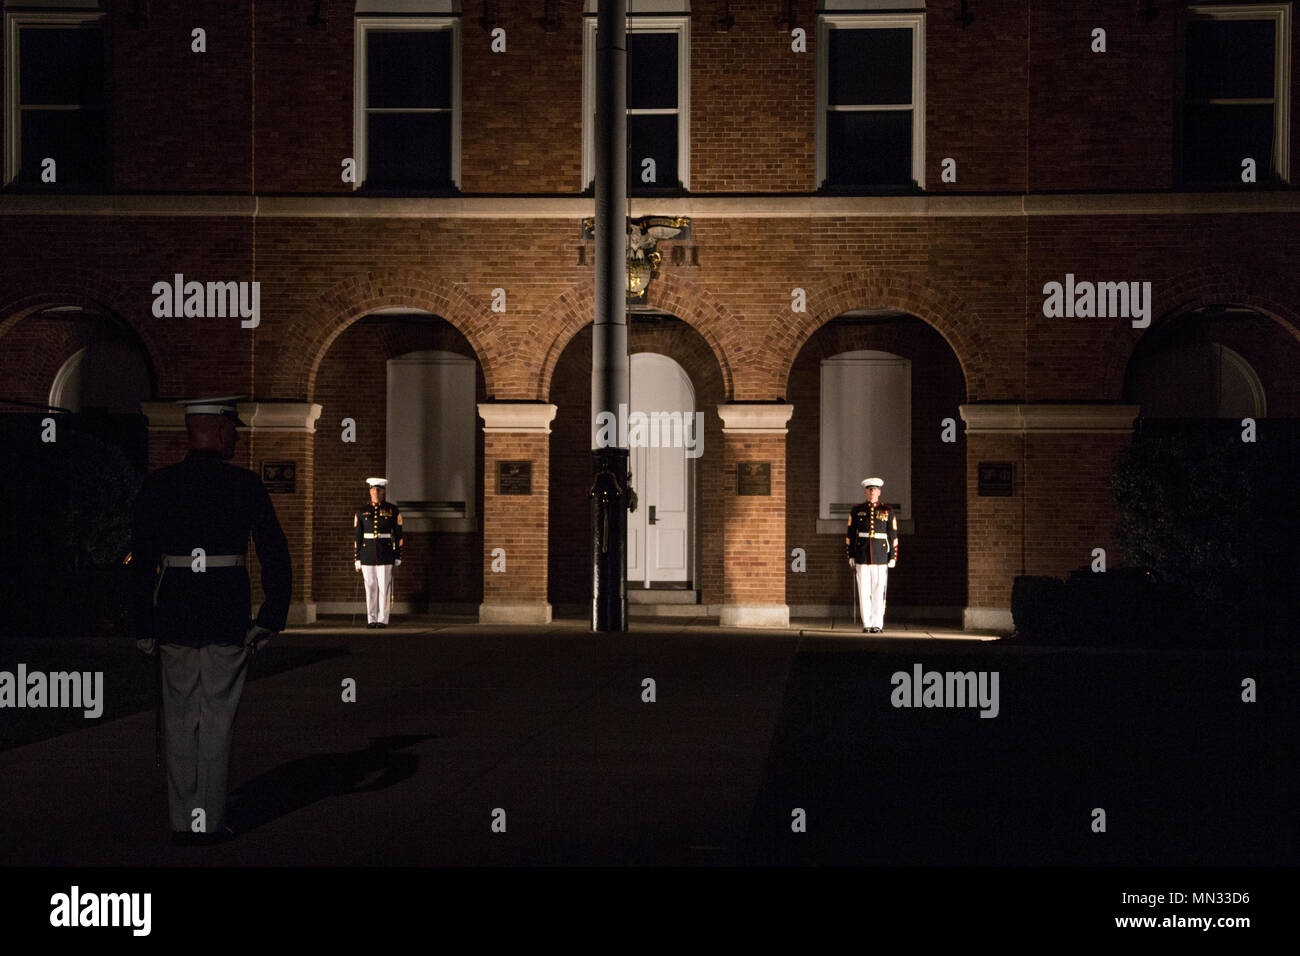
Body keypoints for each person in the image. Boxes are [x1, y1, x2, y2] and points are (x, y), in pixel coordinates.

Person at [130, 396, 292, 845]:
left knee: (180, 719)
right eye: (232, 429)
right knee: (217, 720)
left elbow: (142, 560)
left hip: (176, 612)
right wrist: (271, 616)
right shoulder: (243, 485)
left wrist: (143, 623)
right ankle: (210, 818)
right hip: (225, 611)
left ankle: (184, 821)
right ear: (219, 430)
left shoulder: (160, 485)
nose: (236, 437)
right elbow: (274, 552)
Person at [845, 477, 898, 633]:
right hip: (862, 554)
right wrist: (851, 554)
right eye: (869, 490)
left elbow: (893, 534)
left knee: (878, 590)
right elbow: (850, 533)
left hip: (881, 555)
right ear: (865, 492)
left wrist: (893, 556)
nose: (872, 492)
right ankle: (866, 623)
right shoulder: (857, 510)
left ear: (879, 492)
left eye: (875, 490)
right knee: (863, 591)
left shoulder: (887, 510)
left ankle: (877, 624)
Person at [354, 477, 402, 628]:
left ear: (383, 492)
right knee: (370, 587)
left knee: (384, 587)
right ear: (370, 491)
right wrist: (357, 557)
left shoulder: (392, 510)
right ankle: (371, 618)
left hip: (385, 552)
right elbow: (357, 536)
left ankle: (382, 619)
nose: (376, 492)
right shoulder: (362, 512)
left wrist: (397, 554)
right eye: (373, 490)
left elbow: (398, 535)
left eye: (379, 490)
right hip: (367, 553)